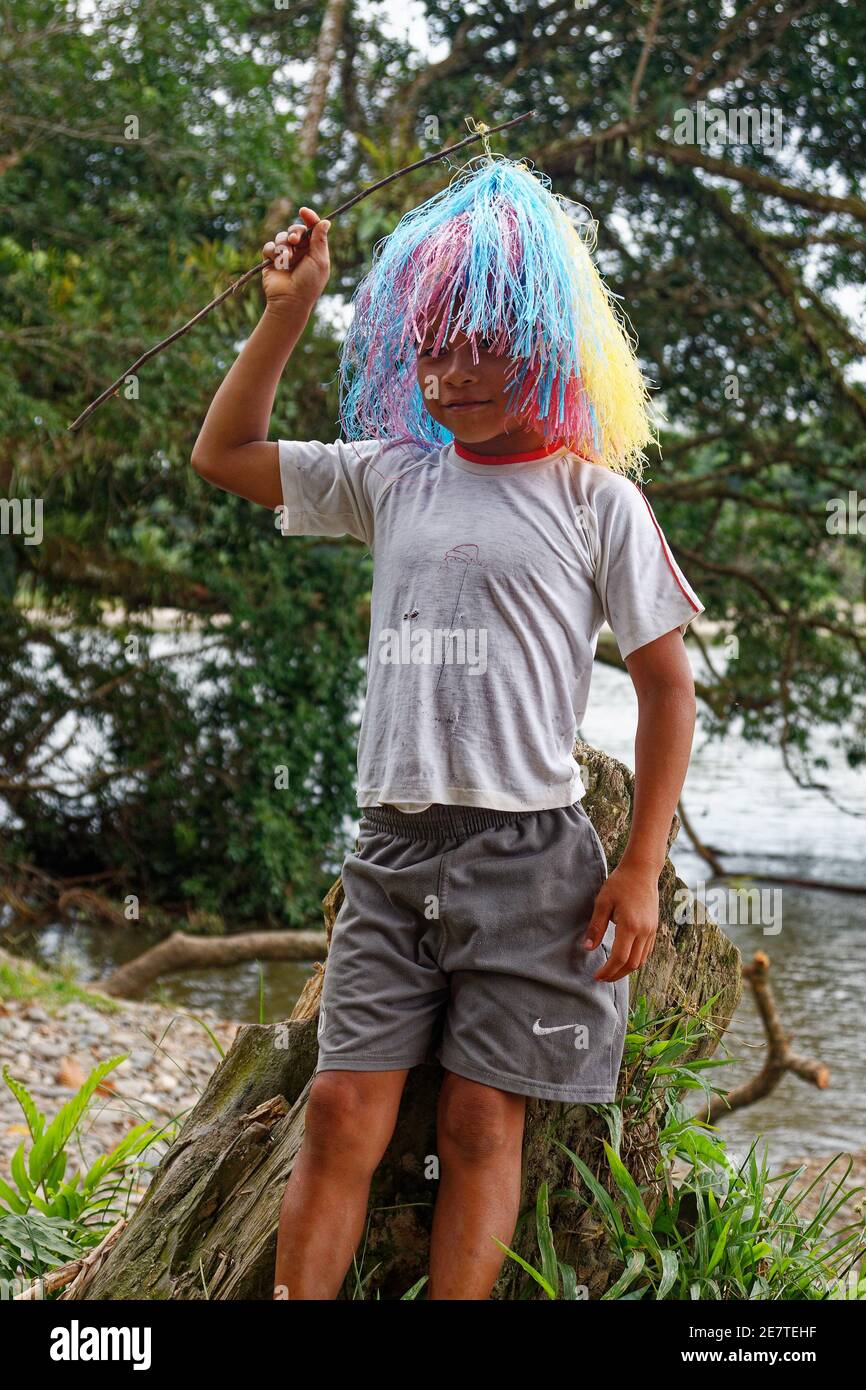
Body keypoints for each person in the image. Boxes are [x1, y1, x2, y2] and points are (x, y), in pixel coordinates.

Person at [190, 157, 706, 1300]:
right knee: (338, 1108)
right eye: (432, 346)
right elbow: (224, 457)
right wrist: (287, 315)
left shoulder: (594, 500)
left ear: (548, 343)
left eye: (485, 342)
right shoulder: (396, 476)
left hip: (530, 862)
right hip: (390, 852)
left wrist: (639, 869)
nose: (454, 370)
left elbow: (666, 687)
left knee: (480, 1121)